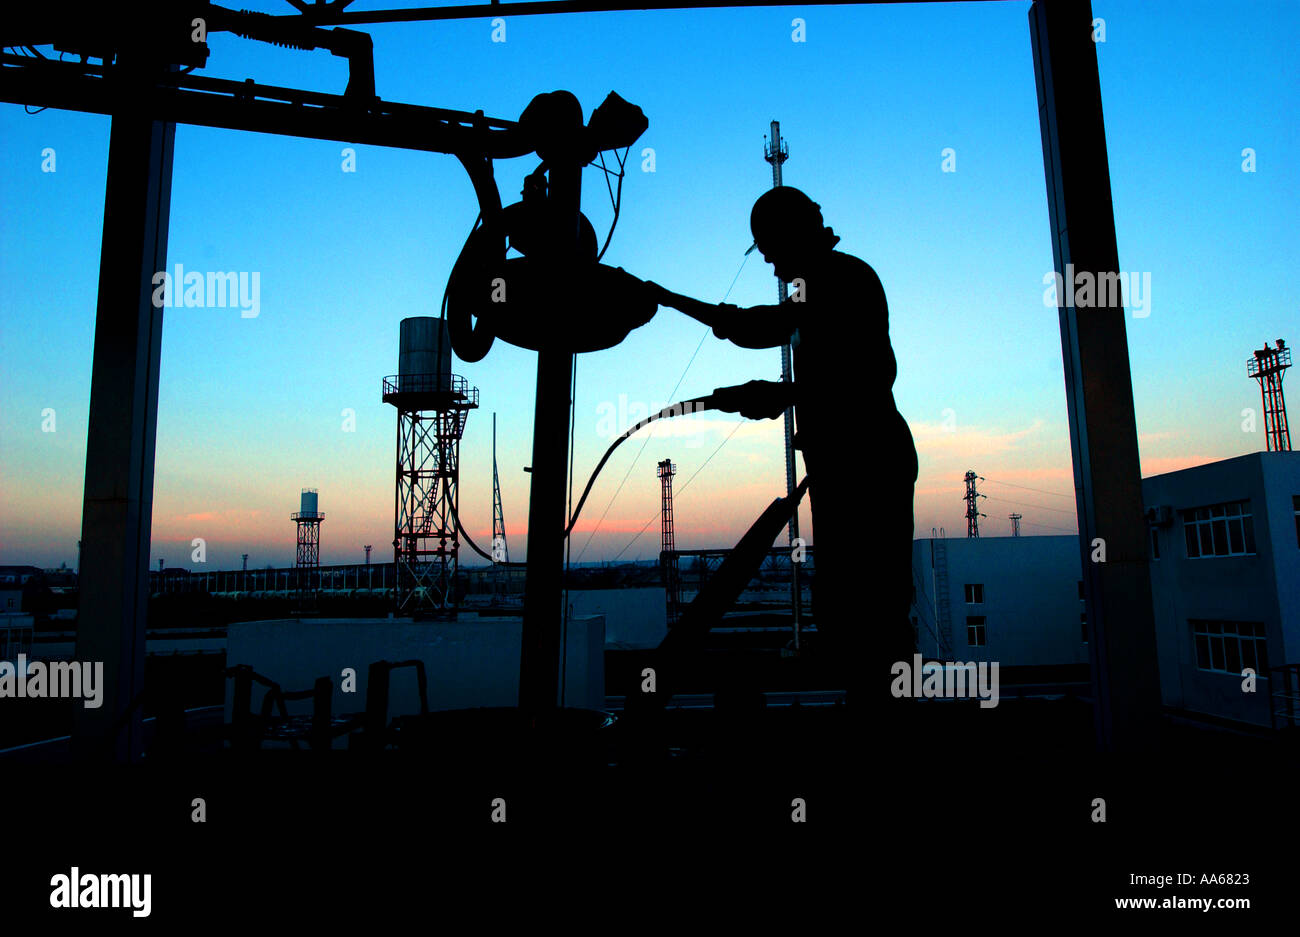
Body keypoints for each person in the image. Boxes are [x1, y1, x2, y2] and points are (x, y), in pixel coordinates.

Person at [647, 187, 918, 714]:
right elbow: (756, 327)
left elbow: (873, 376)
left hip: (869, 467)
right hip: (847, 464)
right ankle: (878, 718)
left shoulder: (842, 279)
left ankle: (889, 729)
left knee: (873, 610)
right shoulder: (814, 285)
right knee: (848, 608)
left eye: (768, 245)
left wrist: (784, 395)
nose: (767, 257)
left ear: (793, 233)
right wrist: (669, 299)